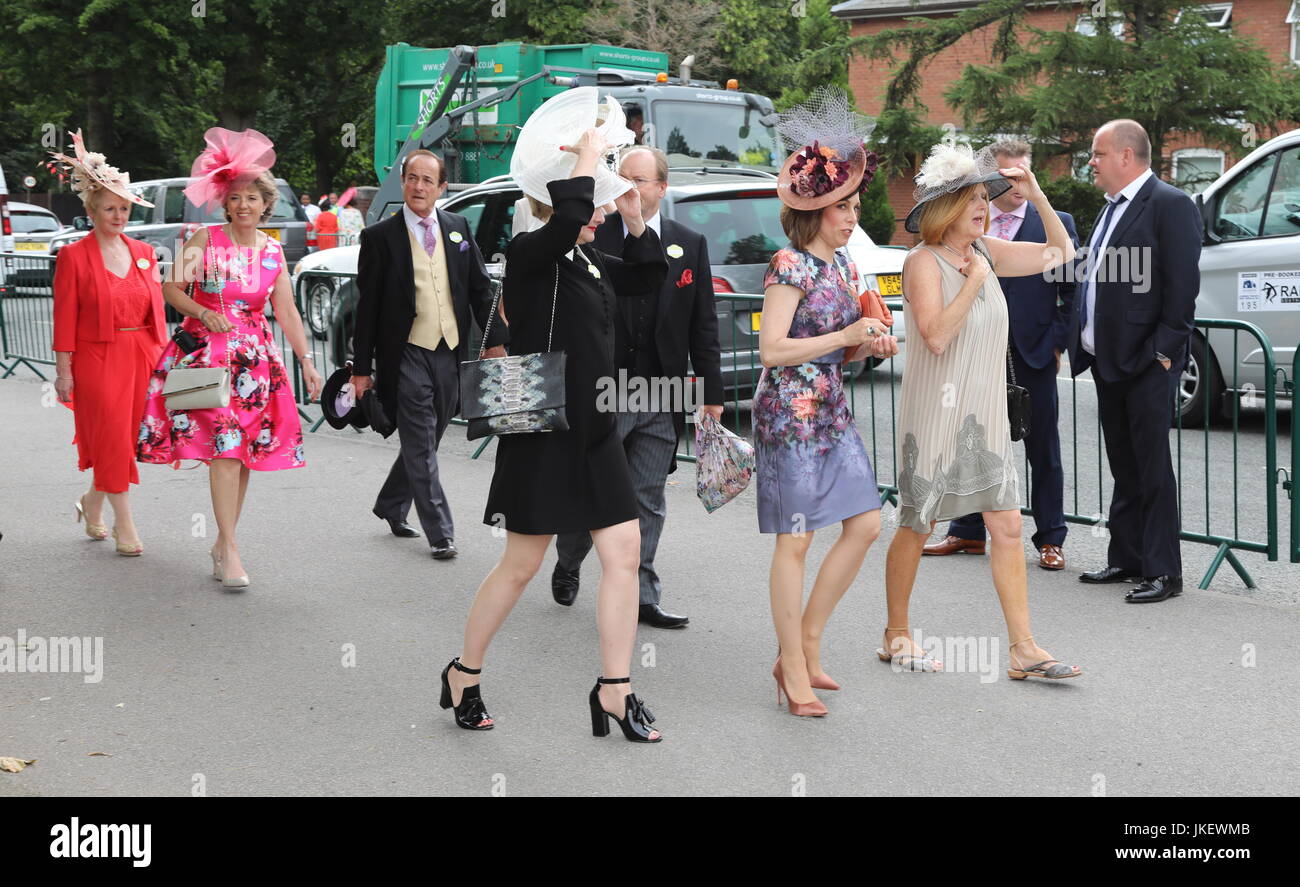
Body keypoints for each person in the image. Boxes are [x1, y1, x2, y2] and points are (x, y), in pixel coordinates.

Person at [441, 109, 668, 742]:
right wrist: (588, 157)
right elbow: (568, 219)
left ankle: (615, 690)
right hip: (543, 431)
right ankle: (464, 671)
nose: (596, 212)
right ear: (561, 197)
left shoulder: (591, 262)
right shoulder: (531, 253)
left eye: (601, 203)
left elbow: (649, 274)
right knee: (521, 566)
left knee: (623, 553)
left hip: (594, 432)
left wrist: (630, 206)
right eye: (593, 201)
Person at [885, 142, 1081, 681]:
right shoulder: (922, 262)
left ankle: (1024, 648)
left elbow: (1060, 254)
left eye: (985, 198)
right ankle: (896, 633)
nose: (984, 206)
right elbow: (937, 336)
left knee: (1008, 525)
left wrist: (1038, 195)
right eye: (972, 199)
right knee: (917, 522)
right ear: (945, 209)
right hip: (935, 413)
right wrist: (973, 281)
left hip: (985, 414)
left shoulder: (990, 251)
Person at [753, 88, 896, 717]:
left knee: (866, 523)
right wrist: (842, 337)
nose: (853, 216)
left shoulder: (846, 270)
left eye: (856, 205)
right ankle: (793, 666)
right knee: (797, 540)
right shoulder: (790, 265)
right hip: (789, 413)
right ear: (816, 209)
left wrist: (868, 348)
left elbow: (836, 352)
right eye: (843, 206)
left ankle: (805, 645)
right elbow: (771, 351)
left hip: (831, 407)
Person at [137, 127, 323, 588]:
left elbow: (287, 311)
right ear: (226, 202)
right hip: (209, 358)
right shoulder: (206, 239)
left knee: (241, 457)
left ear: (265, 204)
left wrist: (307, 362)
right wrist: (202, 310)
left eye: (252, 198)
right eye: (235, 198)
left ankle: (223, 542)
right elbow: (171, 289)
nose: (243, 205)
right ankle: (231, 548)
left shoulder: (273, 251)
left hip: (256, 364)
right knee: (223, 449)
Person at [550, 145, 724, 629]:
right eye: (621, 176)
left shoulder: (690, 243)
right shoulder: (597, 233)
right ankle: (568, 559)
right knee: (594, 492)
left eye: (640, 179)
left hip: (664, 391)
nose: (628, 185)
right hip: (607, 387)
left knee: (648, 496)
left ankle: (642, 594)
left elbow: (703, 325)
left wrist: (711, 396)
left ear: (661, 189)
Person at [923, 139, 1078, 571]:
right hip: (976, 354)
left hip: (1033, 353)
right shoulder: (970, 237)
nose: (1014, 186)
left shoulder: (1052, 223)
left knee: (1042, 446)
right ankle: (967, 532)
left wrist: (1056, 342)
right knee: (973, 442)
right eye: (1006, 177)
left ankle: (1051, 537)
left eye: (1021, 175)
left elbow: (1071, 285)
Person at [349, 150, 508, 558]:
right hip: (405, 353)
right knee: (420, 439)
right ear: (403, 182)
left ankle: (390, 503)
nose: (418, 186)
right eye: (411, 178)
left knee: (430, 436)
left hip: (449, 350)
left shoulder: (456, 228)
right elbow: (366, 308)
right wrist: (362, 369)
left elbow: (478, 288)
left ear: (442, 188)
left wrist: (495, 340)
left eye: (427, 180)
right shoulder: (380, 237)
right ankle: (441, 532)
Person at [1071, 119, 1201, 603]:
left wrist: (1164, 353)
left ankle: (1164, 572)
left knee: (1151, 468)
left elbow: (1182, 287)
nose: (1092, 162)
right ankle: (1127, 559)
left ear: (1126, 156)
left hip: (1148, 363)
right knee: (1124, 465)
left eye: (1098, 153)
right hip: (1108, 361)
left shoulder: (1170, 204)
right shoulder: (1109, 209)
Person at [50, 131, 167, 556]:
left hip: (143, 355)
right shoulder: (73, 257)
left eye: (123, 208)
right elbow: (63, 317)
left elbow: (157, 307)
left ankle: (91, 503)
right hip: (97, 357)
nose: (118, 215)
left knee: (130, 437)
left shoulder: (143, 252)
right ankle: (125, 524)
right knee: (113, 437)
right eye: (109, 208)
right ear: (91, 210)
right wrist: (63, 372)